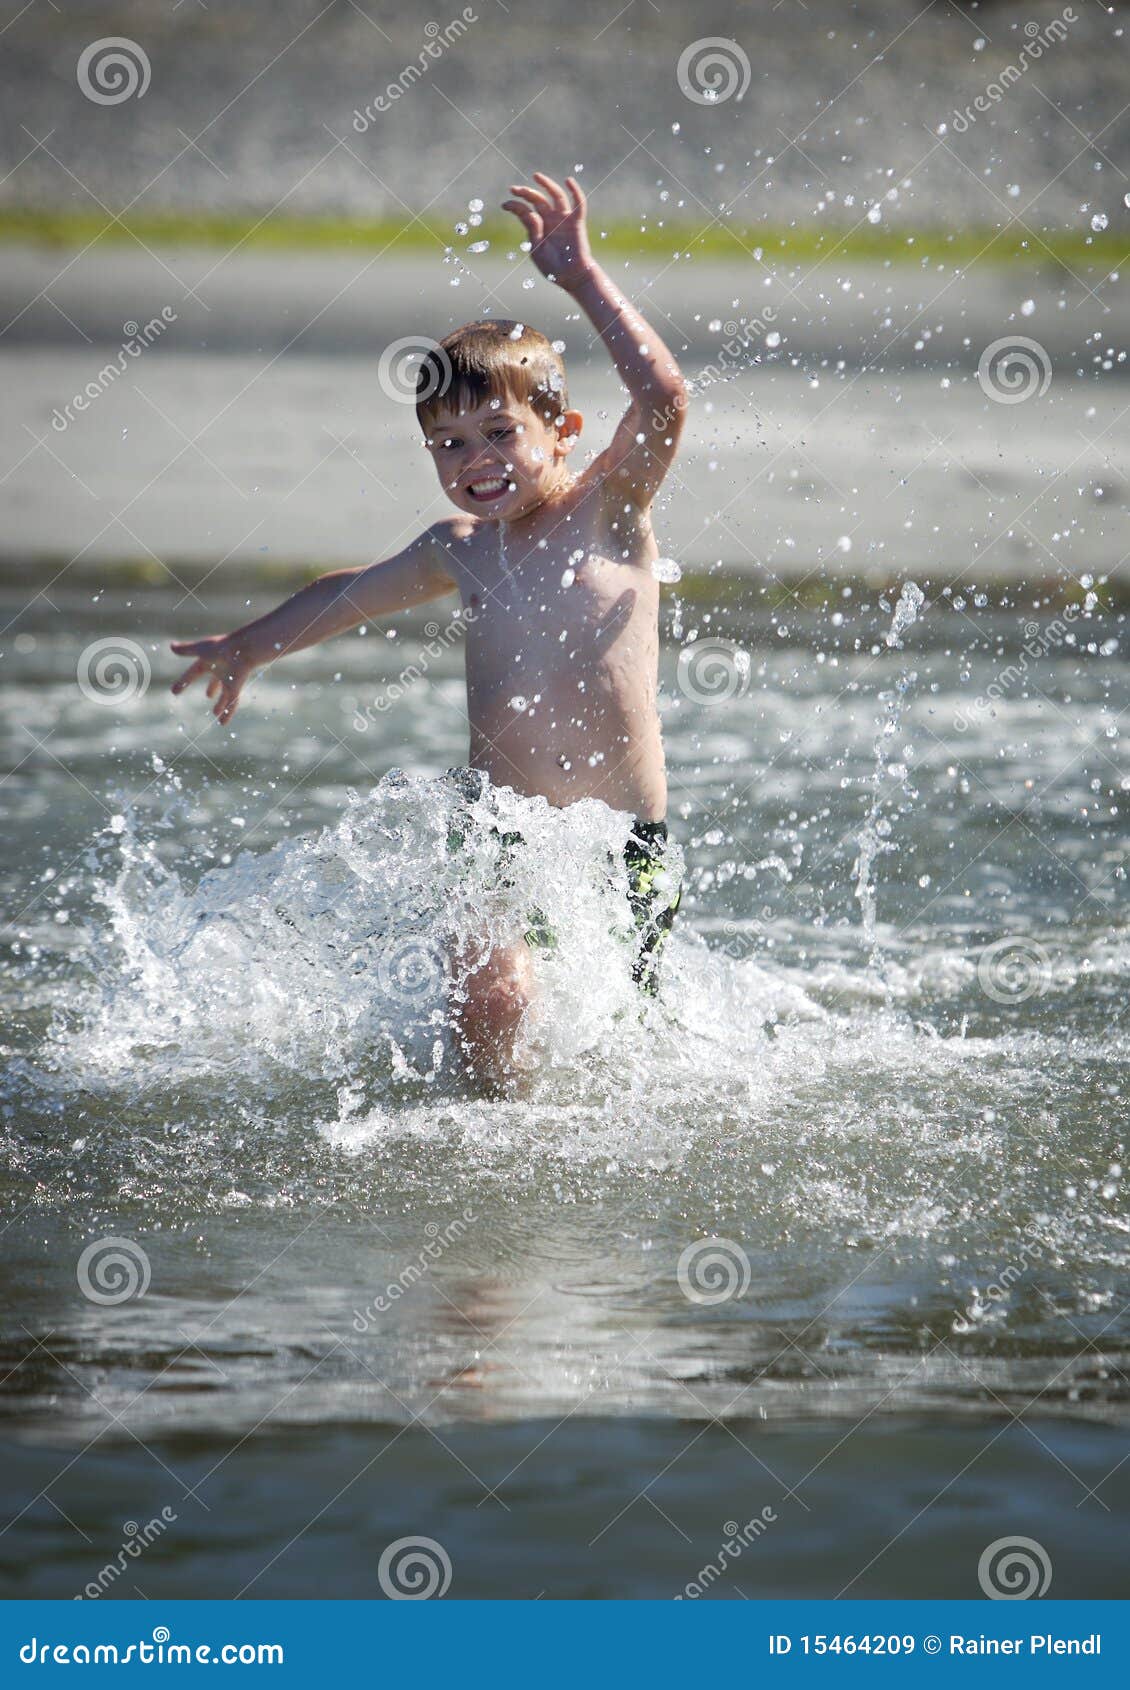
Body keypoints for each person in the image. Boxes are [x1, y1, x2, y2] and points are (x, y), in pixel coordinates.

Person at [170, 172, 688, 1094]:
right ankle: (485, 1150)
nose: (477, 462)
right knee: (487, 1005)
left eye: (499, 433)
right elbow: (351, 594)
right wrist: (251, 643)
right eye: (450, 445)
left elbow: (664, 397)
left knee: (626, 1050)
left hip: (621, 846)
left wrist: (579, 276)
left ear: (562, 430)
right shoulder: (462, 550)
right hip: (498, 829)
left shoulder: (613, 511)